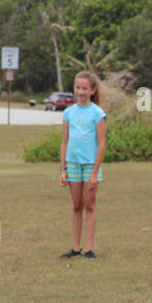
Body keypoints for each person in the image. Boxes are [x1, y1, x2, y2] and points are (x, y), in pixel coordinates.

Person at [58, 71, 106, 259]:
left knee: (90, 204)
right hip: (73, 164)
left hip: (90, 165)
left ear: (92, 90)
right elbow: (64, 141)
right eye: (78, 87)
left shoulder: (97, 113)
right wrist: (63, 169)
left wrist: (94, 172)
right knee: (77, 205)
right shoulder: (68, 113)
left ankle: (89, 247)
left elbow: (102, 143)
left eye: (84, 88)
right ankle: (75, 247)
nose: (80, 91)